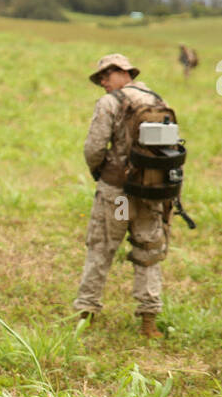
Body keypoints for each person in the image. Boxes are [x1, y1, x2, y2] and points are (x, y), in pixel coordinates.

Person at [73, 53, 171, 338]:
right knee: (149, 252)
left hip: (117, 196)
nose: (103, 83)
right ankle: (148, 322)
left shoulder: (110, 103)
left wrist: (101, 173)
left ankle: (87, 315)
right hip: (151, 192)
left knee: (102, 247)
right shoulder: (157, 100)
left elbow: (93, 147)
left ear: (121, 72)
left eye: (105, 76)